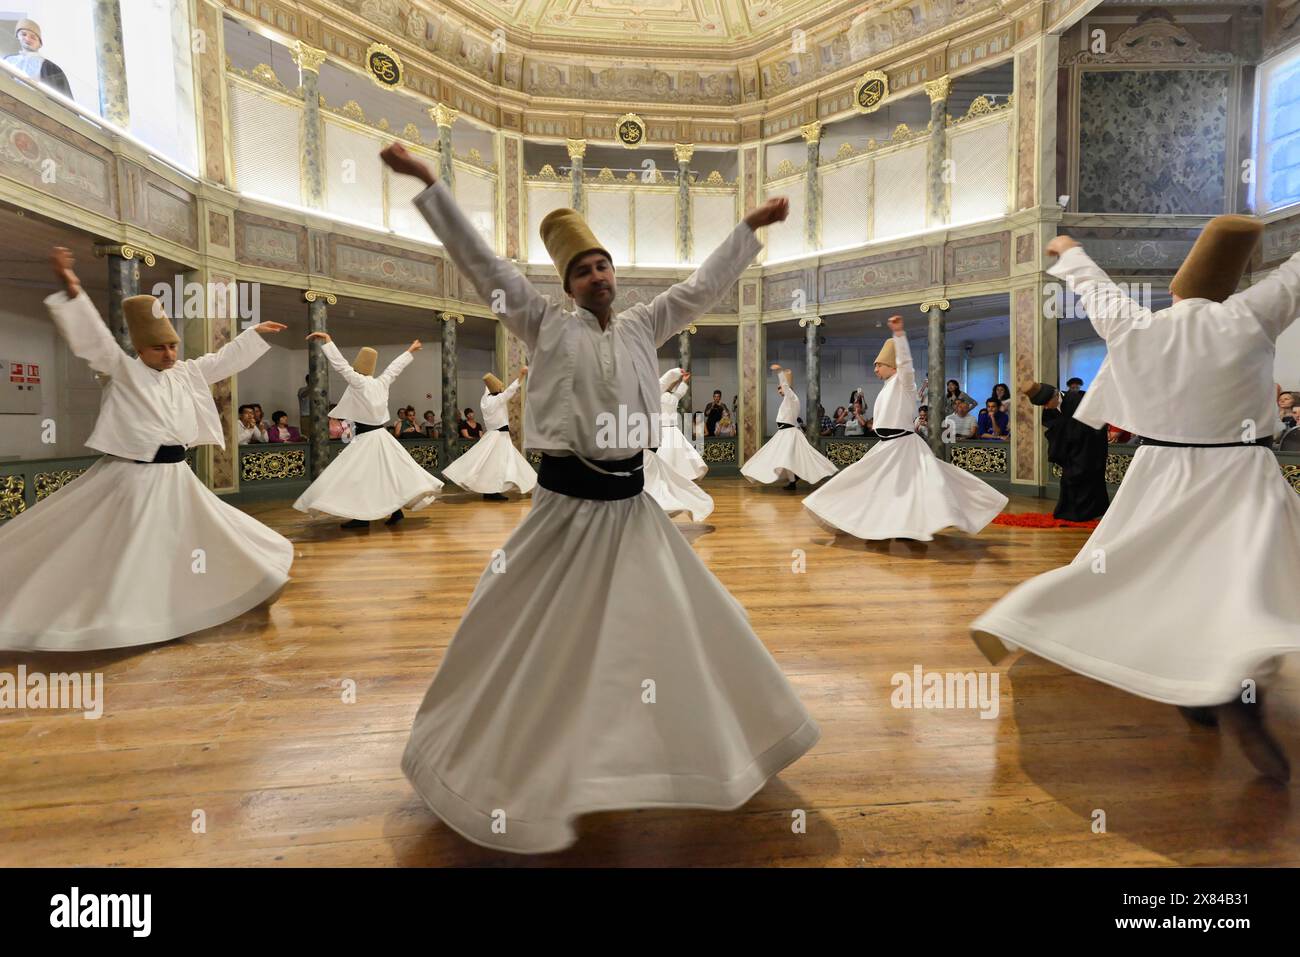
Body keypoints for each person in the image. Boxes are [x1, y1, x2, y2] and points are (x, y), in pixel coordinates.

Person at [380, 140, 817, 854]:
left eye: (603, 263)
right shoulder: (543, 324)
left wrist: (748, 231)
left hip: (633, 508)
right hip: (562, 512)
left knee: (687, 623)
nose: (598, 275)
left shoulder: (648, 322)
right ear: (567, 284)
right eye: (583, 270)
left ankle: (698, 748)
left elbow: (705, 286)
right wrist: (430, 187)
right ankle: (499, 764)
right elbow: (482, 264)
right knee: (529, 634)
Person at [972, 219, 1300, 782]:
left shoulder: (1138, 326)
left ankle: (1190, 677)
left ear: (1175, 288)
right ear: (1229, 288)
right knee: (1244, 585)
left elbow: (1094, 287)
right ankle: (1230, 685)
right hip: (1242, 471)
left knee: (1148, 577)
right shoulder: (1251, 315)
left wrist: (1070, 251)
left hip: (1162, 474)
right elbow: (1296, 277)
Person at [0, 248, 293, 651]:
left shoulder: (186, 372)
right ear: (141, 348)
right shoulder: (122, 371)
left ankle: (211, 597)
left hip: (177, 477)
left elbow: (222, 361)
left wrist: (252, 335)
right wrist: (71, 287)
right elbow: (94, 340)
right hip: (134, 478)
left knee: (199, 540)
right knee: (136, 551)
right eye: (160, 349)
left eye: (172, 346)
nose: (170, 354)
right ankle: (127, 620)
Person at [803, 316, 1007, 541]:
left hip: (902, 445)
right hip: (886, 445)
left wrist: (899, 336)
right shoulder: (886, 387)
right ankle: (856, 519)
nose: (875, 369)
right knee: (868, 481)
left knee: (916, 486)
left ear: (892, 365)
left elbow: (906, 365)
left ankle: (907, 526)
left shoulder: (904, 382)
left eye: (878, 365)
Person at [293, 334, 442, 529]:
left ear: (358, 367)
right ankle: (394, 512)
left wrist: (328, 340)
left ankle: (363, 518)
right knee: (383, 476)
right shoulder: (381, 382)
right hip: (380, 437)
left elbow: (340, 365)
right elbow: (393, 369)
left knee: (359, 477)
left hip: (367, 439)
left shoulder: (359, 382)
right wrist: (409, 351)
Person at [441, 369, 536, 501]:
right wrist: (522, 375)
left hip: (492, 435)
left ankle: (491, 490)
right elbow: (510, 390)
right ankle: (495, 491)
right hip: (499, 437)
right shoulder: (498, 399)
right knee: (498, 465)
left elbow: (490, 390)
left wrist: (490, 383)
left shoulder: (485, 400)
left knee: (491, 464)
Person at [740, 365, 837, 491]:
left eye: (779, 387)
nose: (778, 389)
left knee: (786, 458)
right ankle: (792, 481)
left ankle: (794, 479)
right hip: (785, 432)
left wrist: (780, 372)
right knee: (784, 459)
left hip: (788, 433)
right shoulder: (789, 399)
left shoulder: (791, 397)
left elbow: (785, 386)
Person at [1023, 381, 1109, 521]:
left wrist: (1067, 429)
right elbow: (1052, 426)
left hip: (1091, 446)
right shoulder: (1049, 408)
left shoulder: (1077, 399)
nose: (1045, 407)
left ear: (1055, 396)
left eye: (1046, 403)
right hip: (1070, 448)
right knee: (1069, 479)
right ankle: (1069, 512)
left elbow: (1093, 423)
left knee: (1090, 479)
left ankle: (1091, 513)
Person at [656, 368, 708, 481]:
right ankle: (678, 475)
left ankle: (668, 477)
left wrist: (677, 373)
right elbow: (679, 391)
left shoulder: (659, 396)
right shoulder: (673, 398)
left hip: (665, 431)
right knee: (678, 454)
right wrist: (683, 381)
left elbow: (664, 384)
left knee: (668, 456)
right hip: (673, 430)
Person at [2, 20, 72, 99]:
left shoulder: (51, 68)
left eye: (33, 37)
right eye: (24, 34)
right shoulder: (8, 60)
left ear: (39, 44)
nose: (27, 39)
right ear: (18, 36)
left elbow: (64, 99)